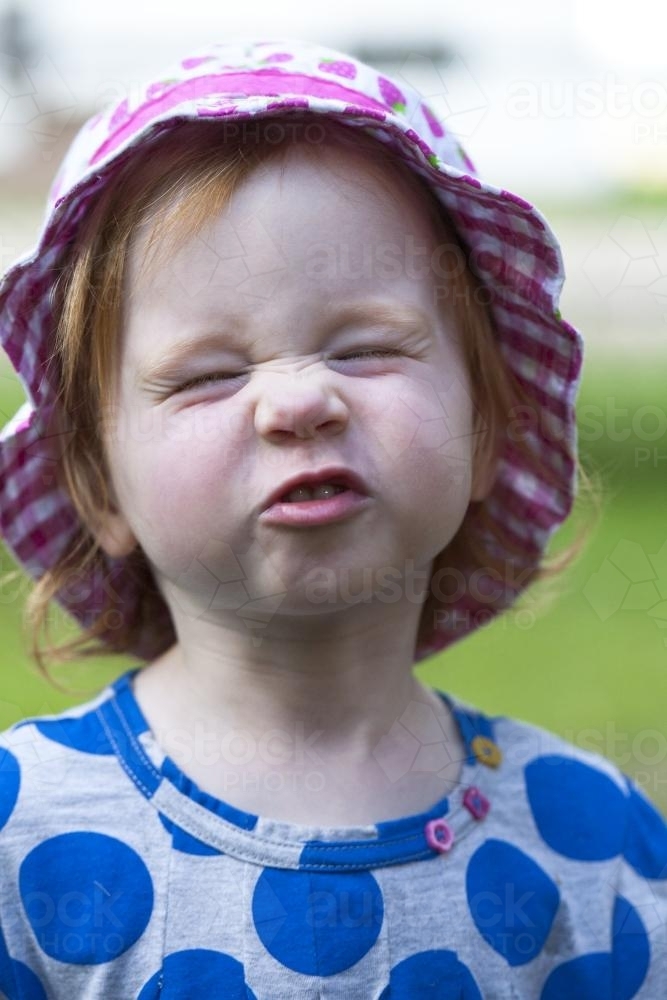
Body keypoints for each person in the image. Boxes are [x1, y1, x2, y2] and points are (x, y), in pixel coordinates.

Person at [0, 37, 664, 999]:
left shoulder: (589, 842)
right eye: (209, 375)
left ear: (486, 426)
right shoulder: (29, 843)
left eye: (365, 348)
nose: (298, 402)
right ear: (100, 487)